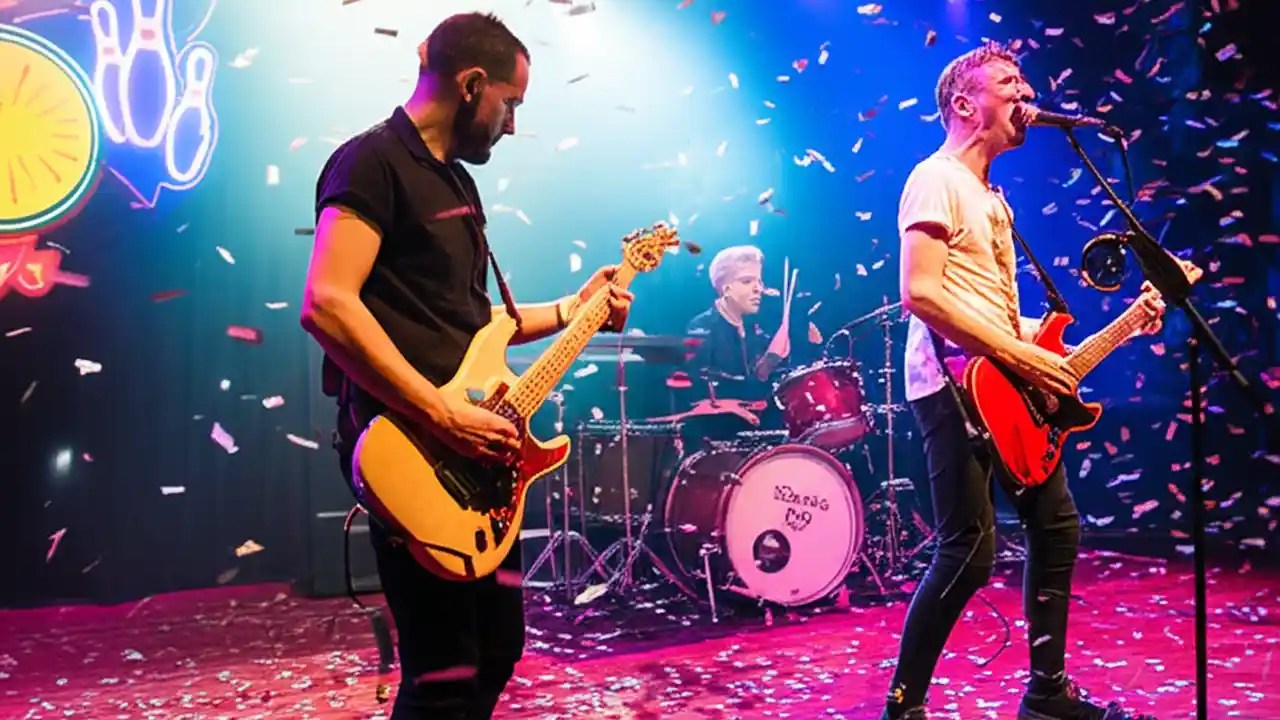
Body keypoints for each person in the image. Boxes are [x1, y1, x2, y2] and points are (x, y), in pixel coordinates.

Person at [299, 13, 632, 719]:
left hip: (475, 462)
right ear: (473, 84)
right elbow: (327, 303)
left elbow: (478, 324)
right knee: (443, 676)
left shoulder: (456, 184)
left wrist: (575, 307)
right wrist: (439, 413)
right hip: (413, 451)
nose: (511, 125)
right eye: (510, 104)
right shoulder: (371, 162)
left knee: (497, 649)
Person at [885, 42, 1164, 720]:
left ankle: (1046, 694)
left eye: (1025, 81)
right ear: (963, 104)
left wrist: (1122, 324)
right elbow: (921, 293)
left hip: (1001, 382)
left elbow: (994, 311)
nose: (1027, 93)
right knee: (968, 552)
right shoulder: (936, 177)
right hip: (953, 385)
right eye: (1010, 82)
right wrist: (1018, 353)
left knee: (1056, 525)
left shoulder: (990, 197)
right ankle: (904, 706)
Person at [683, 244, 790, 434]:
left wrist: (773, 361)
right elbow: (698, 393)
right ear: (726, 289)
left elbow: (762, 387)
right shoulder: (702, 328)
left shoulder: (756, 328)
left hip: (757, 429)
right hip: (717, 434)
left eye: (759, 281)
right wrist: (769, 361)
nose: (758, 289)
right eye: (747, 281)